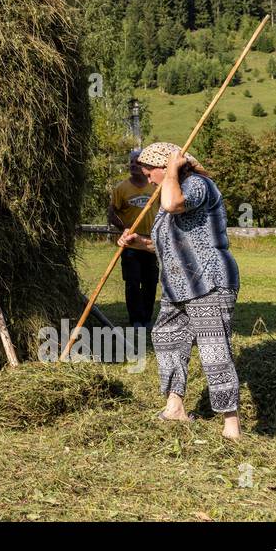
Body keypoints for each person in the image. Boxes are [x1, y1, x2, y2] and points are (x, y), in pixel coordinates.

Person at [118, 142, 242, 440]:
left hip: (207, 282)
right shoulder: (167, 193)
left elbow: (174, 204)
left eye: (150, 173)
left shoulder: (198, 185)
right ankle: (175, 406)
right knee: (166, 337)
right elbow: (166, 244)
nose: (148, 179)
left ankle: (231, 425)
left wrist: (172, 169)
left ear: (166, 167)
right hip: (177, 287)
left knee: (214, 349)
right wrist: (136, 242)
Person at [107, 148, 159, 328]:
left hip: (151, 244)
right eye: (131, 163)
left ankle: (147, 318)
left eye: (137, 163)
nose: (134, 166)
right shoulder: (121, 188)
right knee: (132, 282)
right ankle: (136, 319)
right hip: (130, 245)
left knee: (150, 283)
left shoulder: (155, 187)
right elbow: (112, 214)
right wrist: (124, 228)